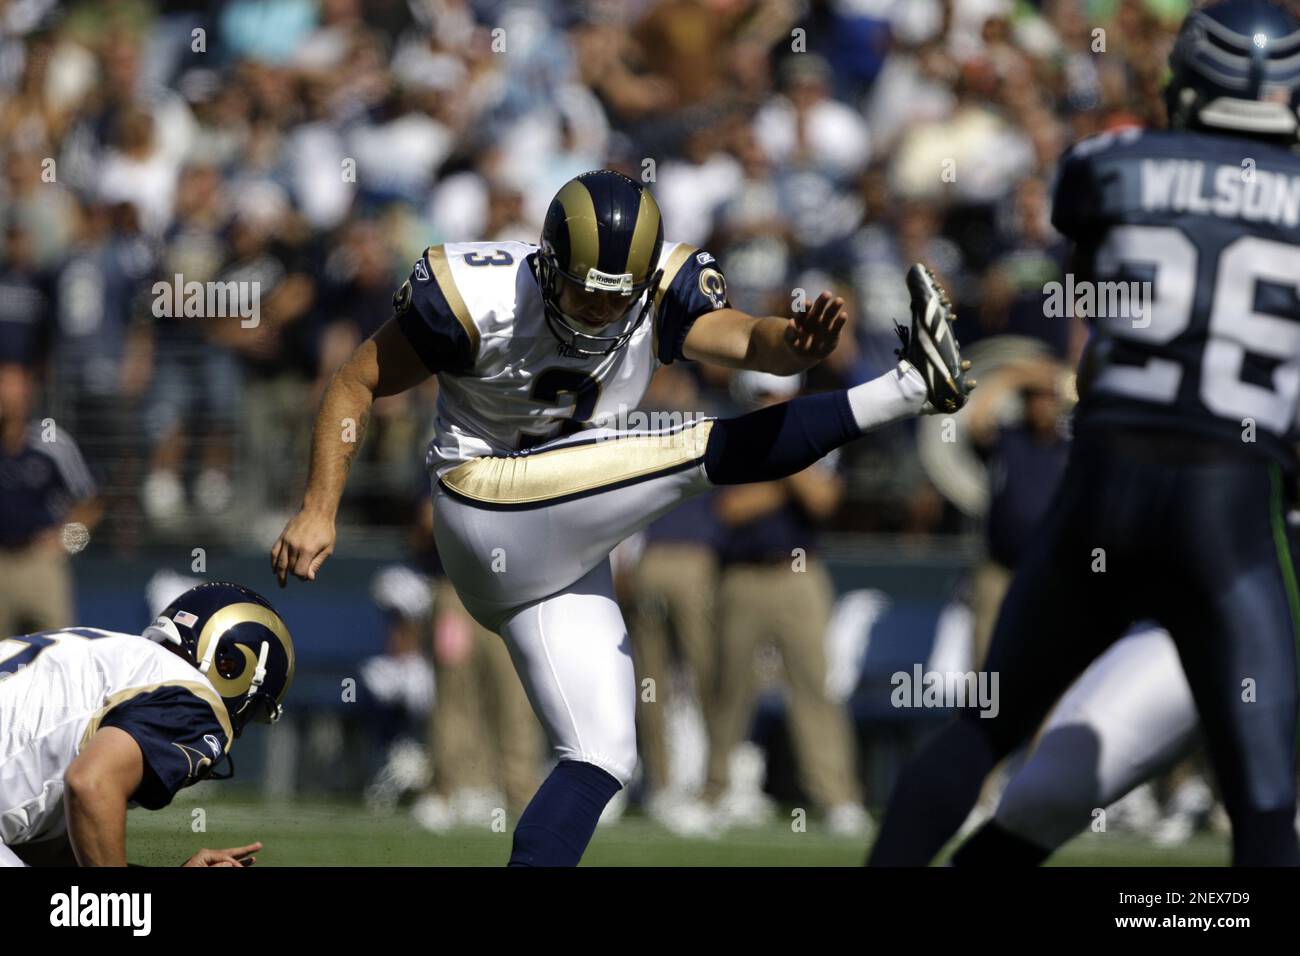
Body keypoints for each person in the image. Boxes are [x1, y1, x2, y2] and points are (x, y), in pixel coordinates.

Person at [272, 169, 973, 866]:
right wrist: (317, 508)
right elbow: (355, 380)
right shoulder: (478, 294)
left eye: (619, 297)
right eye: (584, 291)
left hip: (560, 550)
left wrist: (795, 346)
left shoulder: (664, 288)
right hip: (482, 500)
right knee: (695, 444)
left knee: (602, 754)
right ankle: (911, 384)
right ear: (549, 266)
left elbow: (747, 340)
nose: (601, 311)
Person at [869, 0, 1300, 868]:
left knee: (985, 730)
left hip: (1105, 483)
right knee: (1264, 801)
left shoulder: (1112, 162)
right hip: (1230, 508)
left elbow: (1095, 269)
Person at [0, 582, 295, 867]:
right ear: (231, 666)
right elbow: (90, 784)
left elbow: (50, 854)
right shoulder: (192, 694)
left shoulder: (111, 657)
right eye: (251, 712)